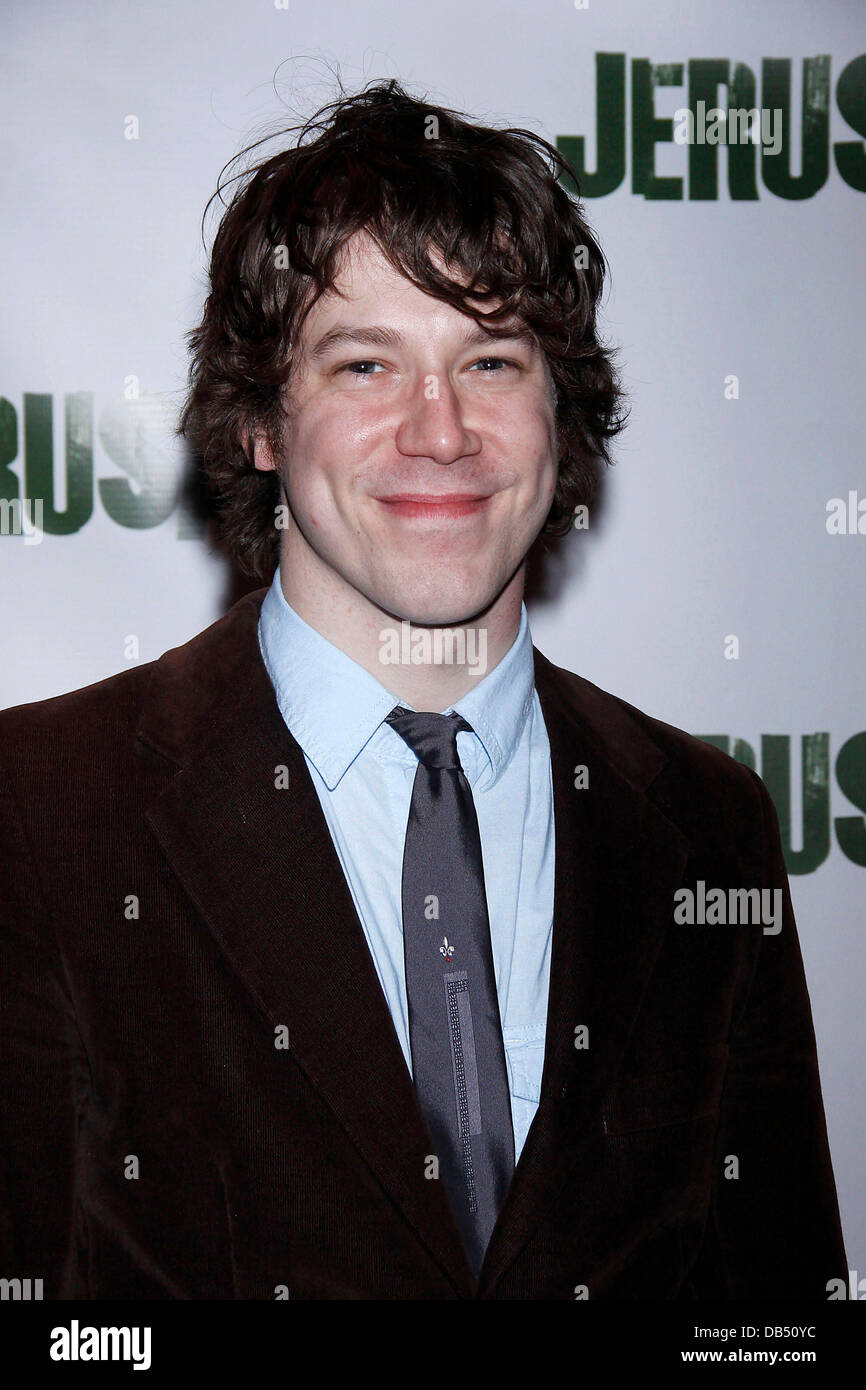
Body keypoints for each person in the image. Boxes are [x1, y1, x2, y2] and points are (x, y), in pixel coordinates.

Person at [0, 79, 847, 1300]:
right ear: (258, 424)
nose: (439, 430)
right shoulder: (40, 813)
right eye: (362, 365)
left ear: (557, 416)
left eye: (490, 359)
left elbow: (771, 1319)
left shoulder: (707, 822)